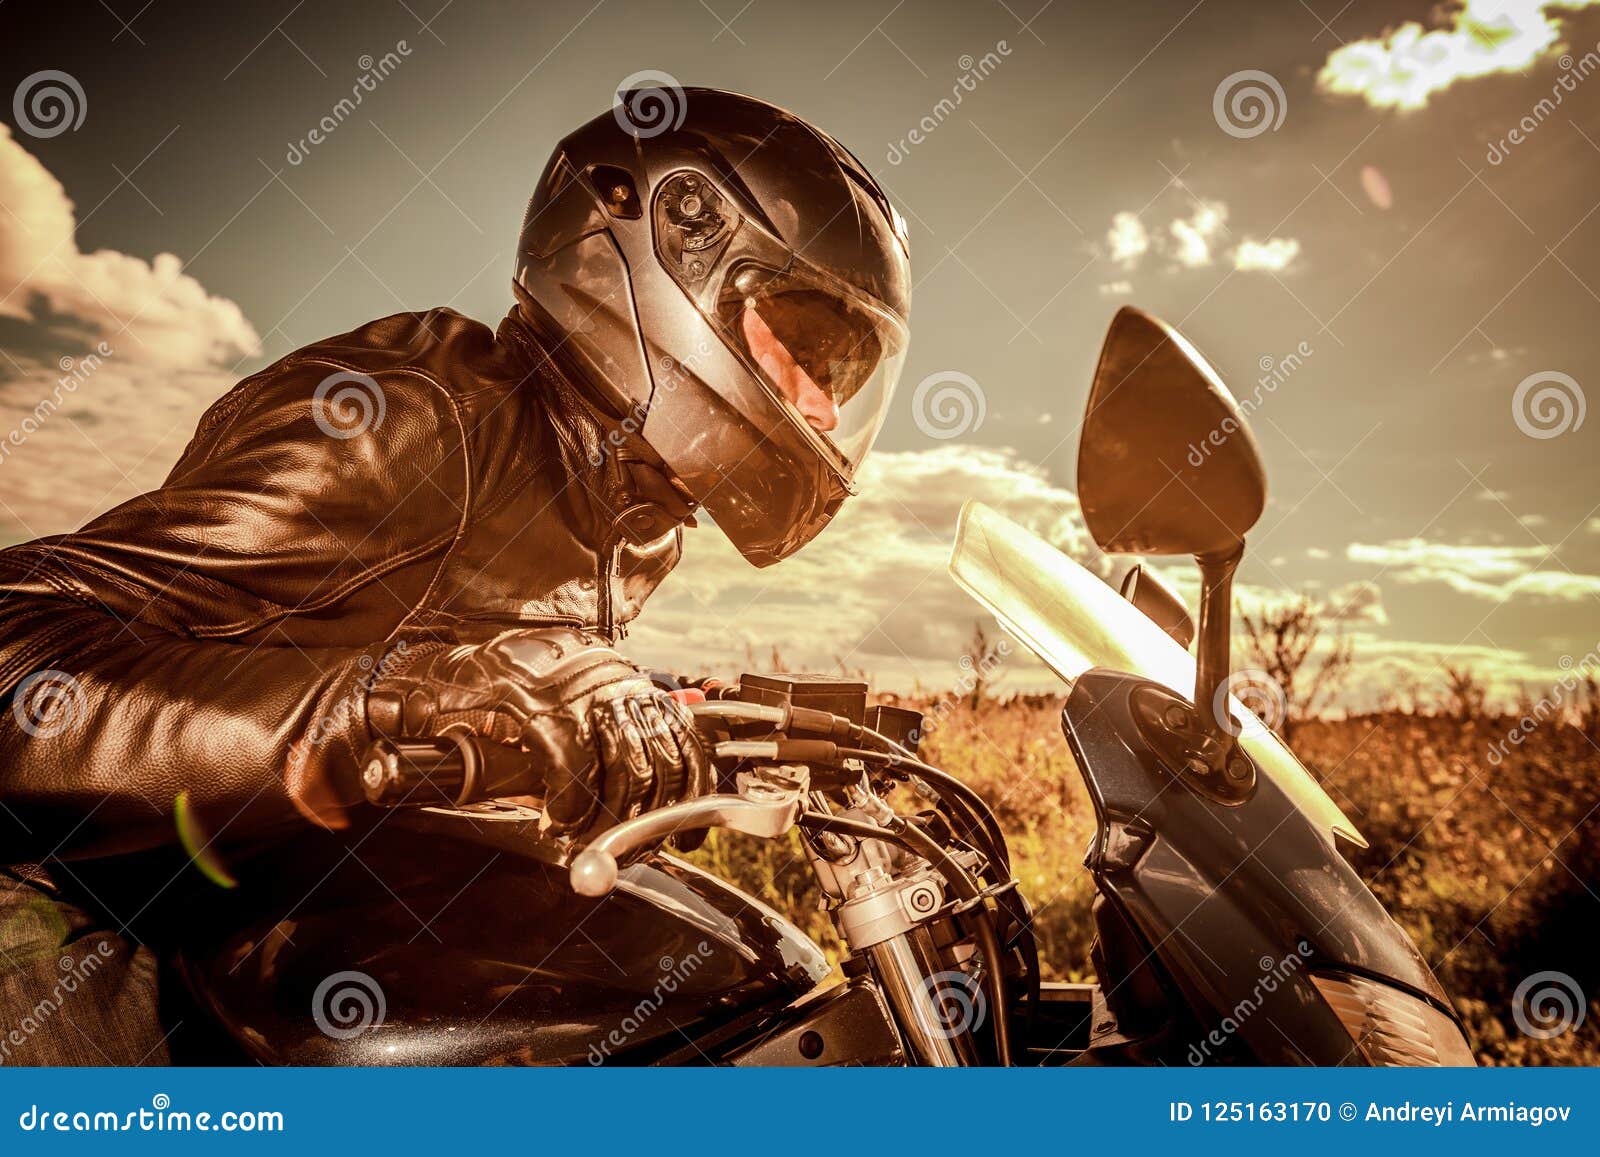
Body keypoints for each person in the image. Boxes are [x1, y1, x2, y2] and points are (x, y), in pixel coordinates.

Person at [0, 87, 911, 1064]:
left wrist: (666, 734)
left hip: (287, 910)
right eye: (802, 343)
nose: (818, 407)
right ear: (661, 263)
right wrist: (408, 702)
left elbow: (488, 691)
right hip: (82, 910)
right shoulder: (408, 421)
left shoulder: (632, 518)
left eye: (840, 375)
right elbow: (20, 651)